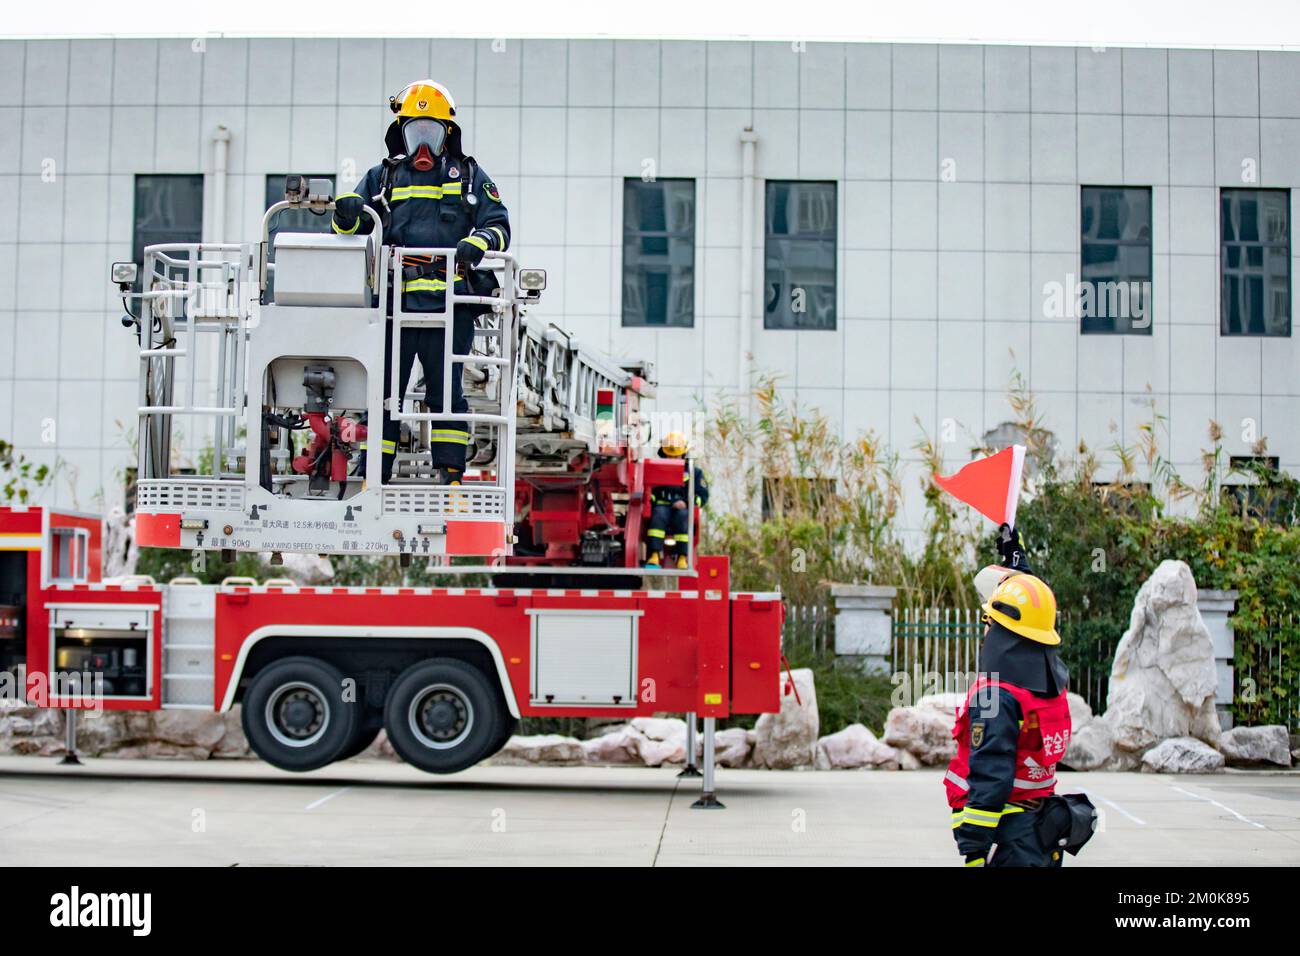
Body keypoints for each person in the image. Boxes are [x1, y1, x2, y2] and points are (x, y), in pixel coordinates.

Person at [333, 79, 510, 486]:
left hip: (451, 306)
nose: (424, 145)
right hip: (394, 306)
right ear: (402, 133)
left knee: (445, 392)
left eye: (432, 133)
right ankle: (373, 472)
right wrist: (344, 214)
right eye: (416, 133)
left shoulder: (468, 175)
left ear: (448, 134)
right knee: (383, 390)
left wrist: (476, 244)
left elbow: (498, 224)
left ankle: (450, 473)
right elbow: (355, 227)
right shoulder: (382, 178)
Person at [945, 524, 1096, 866]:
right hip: (1038, 832)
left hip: (1007, 840)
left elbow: (991, 779)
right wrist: (1016, 561)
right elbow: (1032, 608)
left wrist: (974, 852)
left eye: (990, 619)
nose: (986, 627)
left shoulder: (995, 698)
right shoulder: (1046, 680)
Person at [643, 432, 708, 570]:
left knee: (683, 517)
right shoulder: (657, 469)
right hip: (661, 507)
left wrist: (687, 503)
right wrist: (651, 501)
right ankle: (654, 555)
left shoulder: (694, 473)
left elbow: (702, 495)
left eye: (676, 455)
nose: (673, 458)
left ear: (683, 454)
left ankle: (682, 557)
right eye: (669, 455)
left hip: (683, 508)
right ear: (664, 454)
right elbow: (650, 492)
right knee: (658, 515)